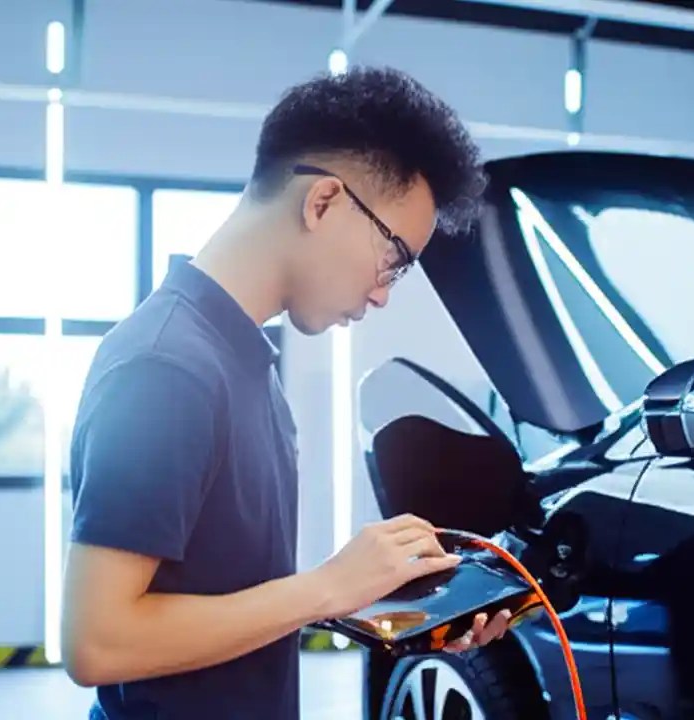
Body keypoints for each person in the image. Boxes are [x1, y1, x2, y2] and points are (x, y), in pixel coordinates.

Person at [61, 65, 506, 720]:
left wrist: (385, 600)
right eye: (393, 260)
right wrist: (326, 587)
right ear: (322, 202)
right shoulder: (167, 369)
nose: (383, 294)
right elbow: (97, 642)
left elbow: (228, 604)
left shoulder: (244, 363)